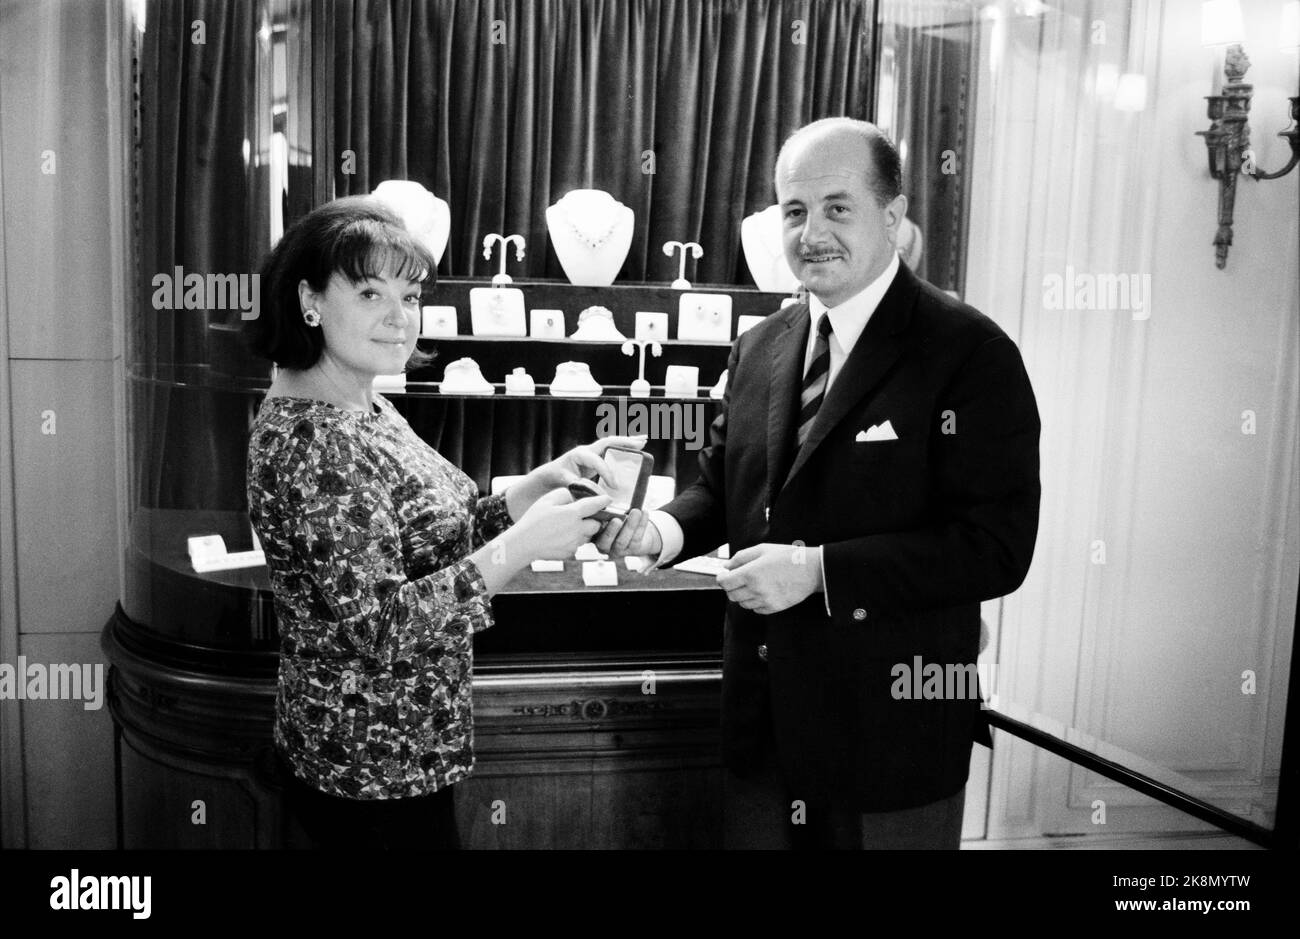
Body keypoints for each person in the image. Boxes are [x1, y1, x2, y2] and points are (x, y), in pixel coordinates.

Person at [598, 118, 1041, 849]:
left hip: (892, 739)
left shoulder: (971, 352)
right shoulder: (760, 345)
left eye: (838, 207)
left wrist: (816, 572)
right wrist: (659, 530)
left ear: (893, 218)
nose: (812, 232)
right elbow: (722, 487)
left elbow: (995, 548)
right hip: (764, 730)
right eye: (795, 211)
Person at [244, 196, 640, 849]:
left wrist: (525, 492)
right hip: (368, 766)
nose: (399, 317)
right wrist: (520, 545)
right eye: (370, 293)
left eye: (410, 293)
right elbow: (381, 625)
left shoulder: (357, 399)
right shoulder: (320, 442)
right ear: (308, 299)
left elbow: (424, 534)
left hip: (405, 746)